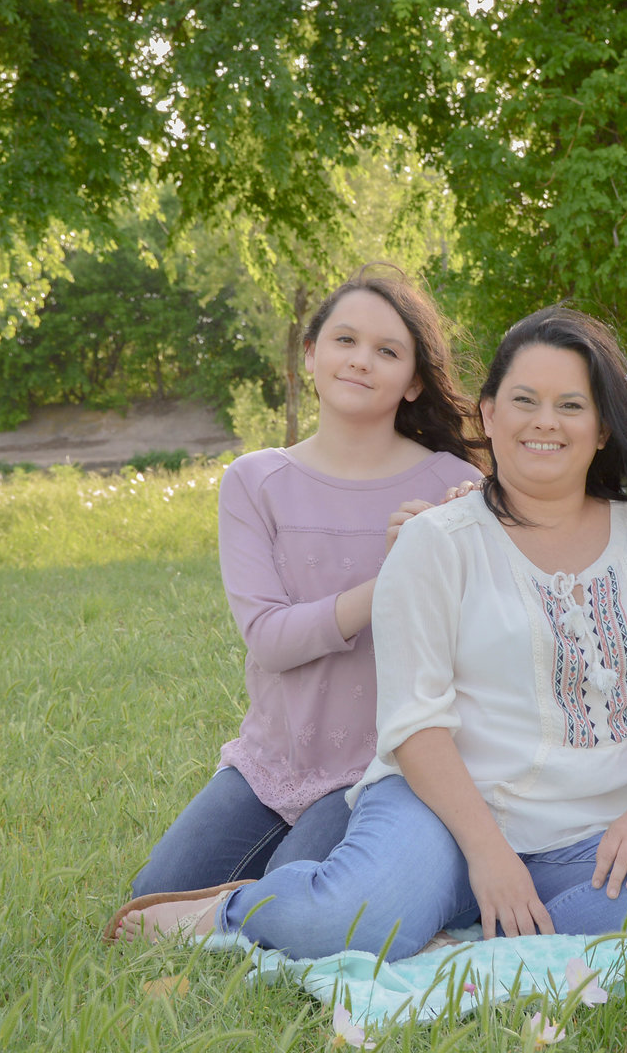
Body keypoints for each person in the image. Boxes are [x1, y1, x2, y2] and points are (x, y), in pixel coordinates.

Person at [106, 307, 627, 957]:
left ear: (603, 426)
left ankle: (466, 930)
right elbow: (413, 722)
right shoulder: (437, 540)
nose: (545, 421)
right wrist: (490, 856)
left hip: (585, 832)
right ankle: (231, 911)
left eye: (570, 405)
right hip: (438, 814)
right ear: (489, 415)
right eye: (524, 400)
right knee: (343, 922)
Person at [127, 265, 483, 899]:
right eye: (344, 341)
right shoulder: (254, 480)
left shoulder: (452, 486)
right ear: (311, 355)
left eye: (388, 351)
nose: (361, 361)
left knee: (297, 892)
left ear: (413, 383)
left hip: (386, 766)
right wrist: (395, 580)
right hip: (273, 761)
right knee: (155, 897)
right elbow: (268, 639)